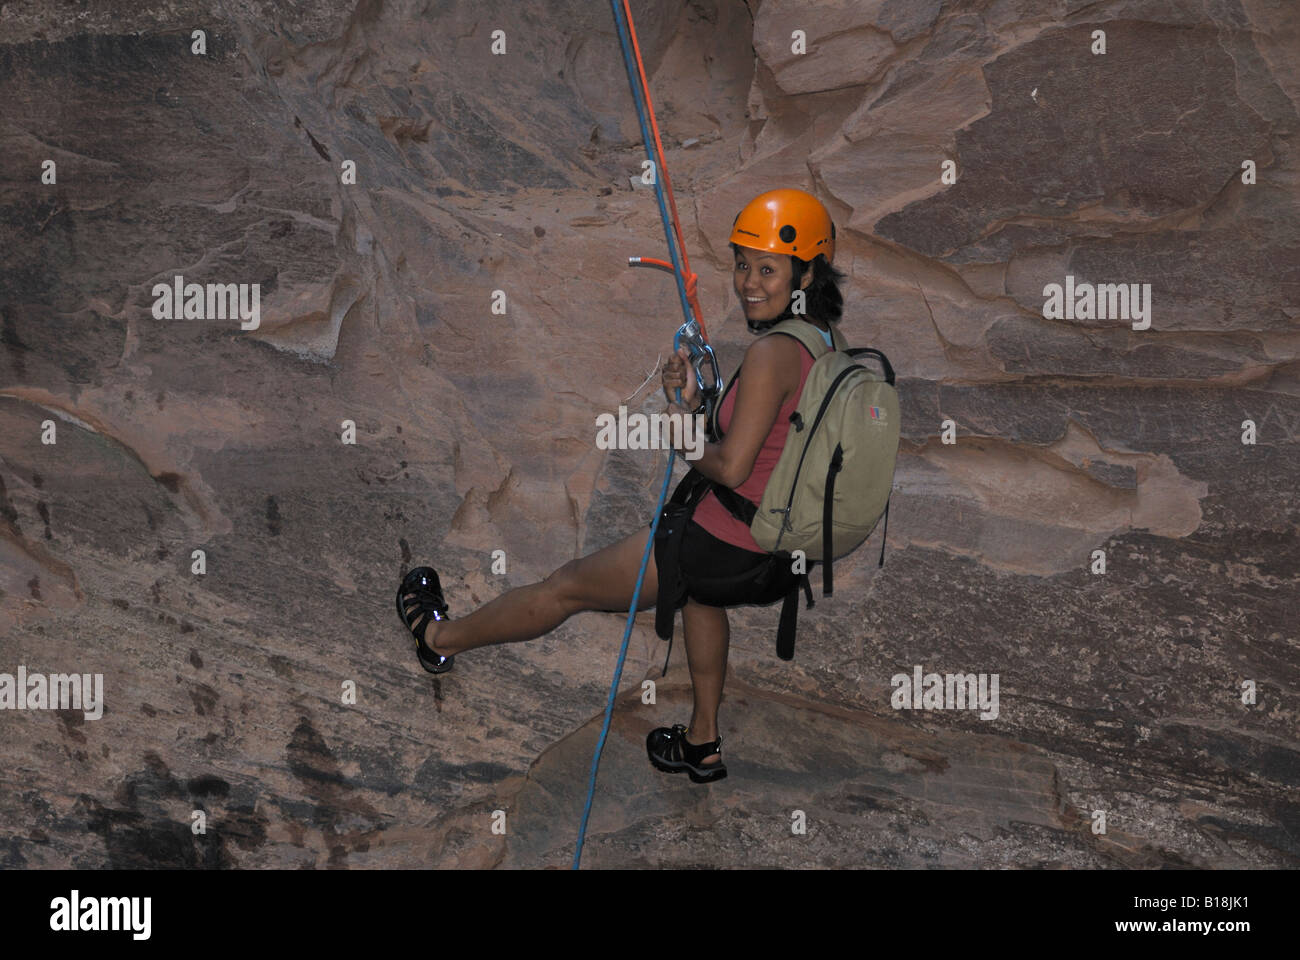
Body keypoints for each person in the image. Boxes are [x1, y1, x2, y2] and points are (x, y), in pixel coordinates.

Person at [397, 188, 847, 783]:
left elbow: (731, 467)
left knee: (567, 588)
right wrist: (690, 403)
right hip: (777, 551)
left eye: (767, 268)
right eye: (742, 263)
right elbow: (769, 441)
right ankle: (702, 743)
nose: (748, 282)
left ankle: (436, 637)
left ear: (806, 271)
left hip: (723, 539)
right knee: (701, 597)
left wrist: (680, 426)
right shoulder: (823, 343)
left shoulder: (772, 353)